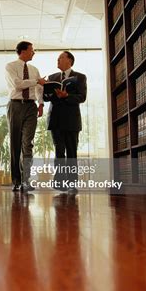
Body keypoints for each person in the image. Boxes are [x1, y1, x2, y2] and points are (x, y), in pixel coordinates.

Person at [5, 41, 45, 192]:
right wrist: (36, 81)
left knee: (27, 144)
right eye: (31, 50)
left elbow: (39, 88)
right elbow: (17, 84)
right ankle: (16, 181)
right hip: (15, 105)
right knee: (15, 144)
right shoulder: (10, 66)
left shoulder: (34, 69)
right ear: (22, 51)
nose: (33, 53)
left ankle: (26, 180)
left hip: (31, 107)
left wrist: (40, 104)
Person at [46, 51, 86, 194]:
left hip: (71, 120)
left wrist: (67, 95)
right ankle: (60, 183)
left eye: (61, 57)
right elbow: (47, 98)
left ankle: (72, 185)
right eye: (57, 58)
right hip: (55, 119)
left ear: (69, 60)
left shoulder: (80, 77)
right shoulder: (52, 78)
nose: (58, 60)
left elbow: (82, 97)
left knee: (71, 153)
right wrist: (47, 90)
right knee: (59, 153)